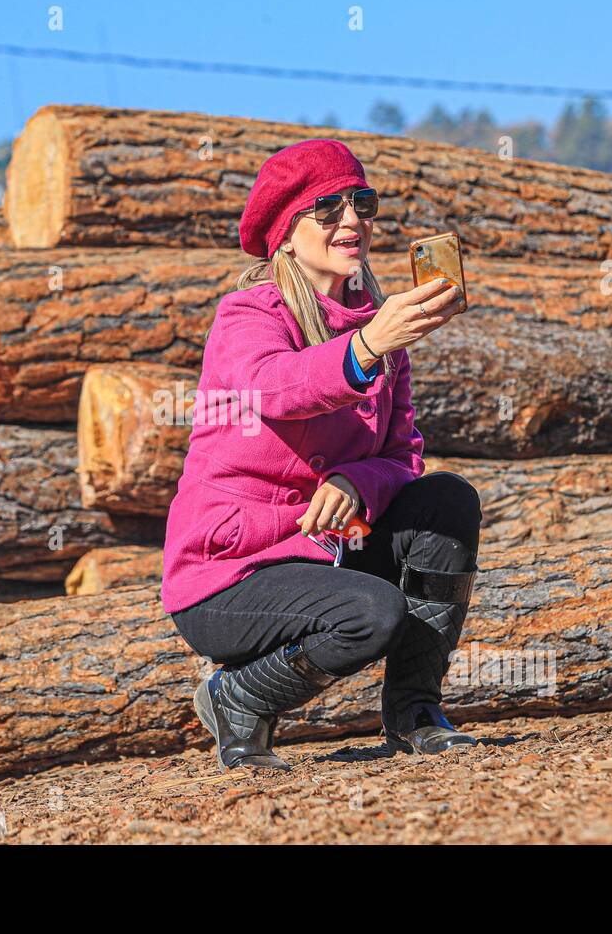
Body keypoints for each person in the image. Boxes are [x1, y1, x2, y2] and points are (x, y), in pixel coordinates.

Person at [160, 138, 483, 770]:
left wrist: (360, 481)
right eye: (328, 208)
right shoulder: (245, 316)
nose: (352, 220)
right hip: (230, 571)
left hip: (331, 547)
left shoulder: (378, 325)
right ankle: (238, 699)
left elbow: (404, 455)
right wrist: (367, 346)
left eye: (362, 203)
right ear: (285, 233)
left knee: (447, 501)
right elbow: (275, 387)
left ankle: (415, 711)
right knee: (372, 614)